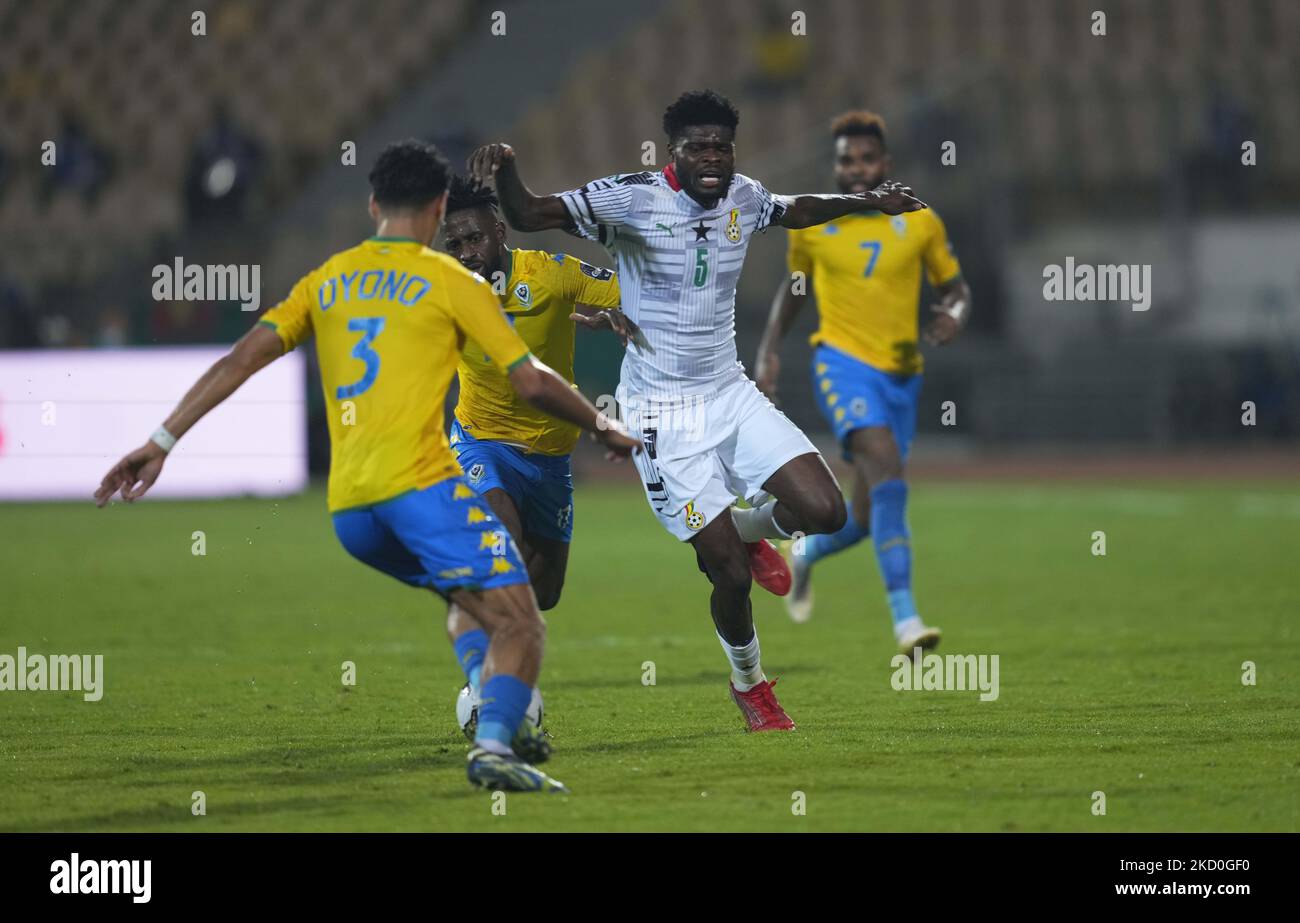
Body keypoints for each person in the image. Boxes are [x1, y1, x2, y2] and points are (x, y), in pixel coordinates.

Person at [94, 140, 639, 792]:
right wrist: (601, 421)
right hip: (421, 486)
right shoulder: (453, 283)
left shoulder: (329, 278)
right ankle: (497, 741)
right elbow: (531, 380)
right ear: (439, 210)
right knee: (522, 620)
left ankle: (487, 695)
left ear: (374, 204)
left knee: (479, 594)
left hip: (350, 508)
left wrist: (161, 439)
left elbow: (241, 359)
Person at [468, 89, 927, 731]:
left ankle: (743, 527)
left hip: (729, 391)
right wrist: (509, 167)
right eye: (698, 147)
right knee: (730, 579)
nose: (713, 157)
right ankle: (751, 685)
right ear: (673, 153)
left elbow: (795, 209)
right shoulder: (631, 198)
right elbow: (528, 210)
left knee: (826, 510)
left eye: (721, 146)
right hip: (660, 415)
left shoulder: (743, 194)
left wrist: (867, 202)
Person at [755, 111, 971, 655]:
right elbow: (796, 287)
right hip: (842, 363)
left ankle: (805, 555)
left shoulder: (921, 222)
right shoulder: (815, 223)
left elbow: (956, 289)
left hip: (903, 375)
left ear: (886, 164)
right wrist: (769, 349)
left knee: (865, 517)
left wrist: (954, 315)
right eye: (846, 160)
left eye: (866, 159)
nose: (854, 169)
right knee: (885, 468)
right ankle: (906, 619)